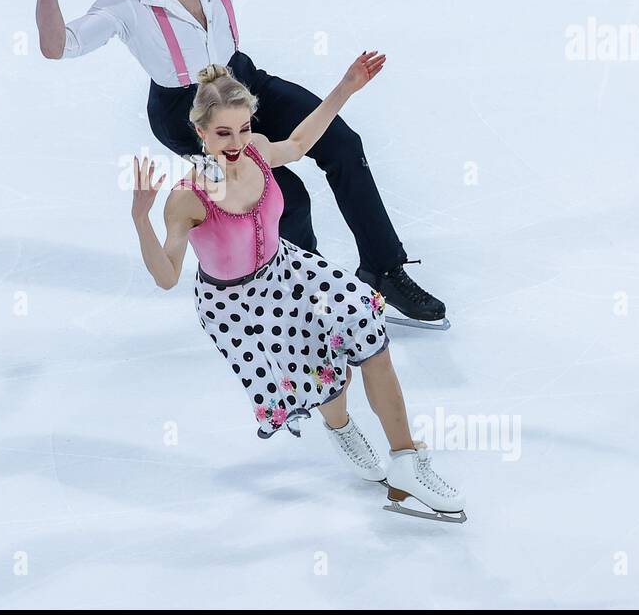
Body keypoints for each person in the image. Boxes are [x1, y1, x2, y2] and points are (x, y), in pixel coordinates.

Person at [36, 0, 449, 328]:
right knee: (287, 197)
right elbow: (58, 47)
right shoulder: (126, 3)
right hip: (188, 112)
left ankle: (384, 270)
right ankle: (307, 299)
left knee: (343, 144)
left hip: (239, 80)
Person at [129, 53, 465, 523]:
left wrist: (345, 87)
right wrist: (140, 219)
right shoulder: (187, 198)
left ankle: (406, 461)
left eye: (243, 129)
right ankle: (341, 425)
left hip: (288, 270)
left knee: (366, 325)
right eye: (223, 133)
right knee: (326, 375)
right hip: (239, 306)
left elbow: (303, 140)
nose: (236, 143)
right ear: (200, 133)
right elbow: (166, 276)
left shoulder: (258, 153)